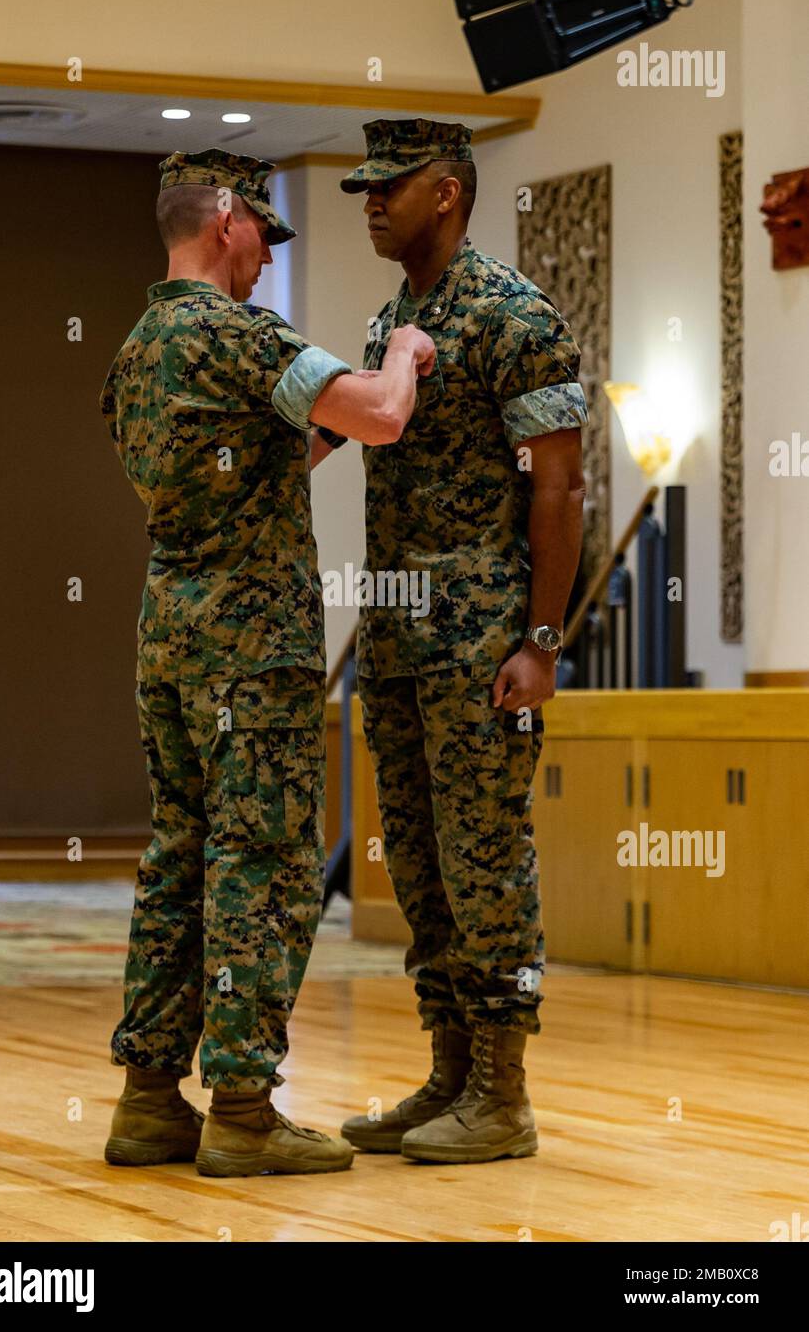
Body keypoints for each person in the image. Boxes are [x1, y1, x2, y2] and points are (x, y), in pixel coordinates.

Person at [100, 147, 434, 1178]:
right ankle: (242, 1103)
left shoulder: (136, 350)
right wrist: (405, 359)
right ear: (229, 219)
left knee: (178, 860)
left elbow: (249, 467)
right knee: (267, 863)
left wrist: (333, 420)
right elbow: (376, 414)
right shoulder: (237, 332)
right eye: (262, 245)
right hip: (255, 647)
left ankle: (149, 1100)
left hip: (169, 636)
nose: (264, 267)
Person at [338, 119, 588, 1164]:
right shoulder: (387, 324)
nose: (369, 201)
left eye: (389, 186)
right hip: (397, 640)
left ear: (445, 192)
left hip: (481, 640)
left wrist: (539, 637)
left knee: (489, 863)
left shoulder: (513, 315)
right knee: (424, 869)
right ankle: (447, 1070)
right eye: (363, 186)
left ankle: (502, 1091)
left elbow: (561, 487)